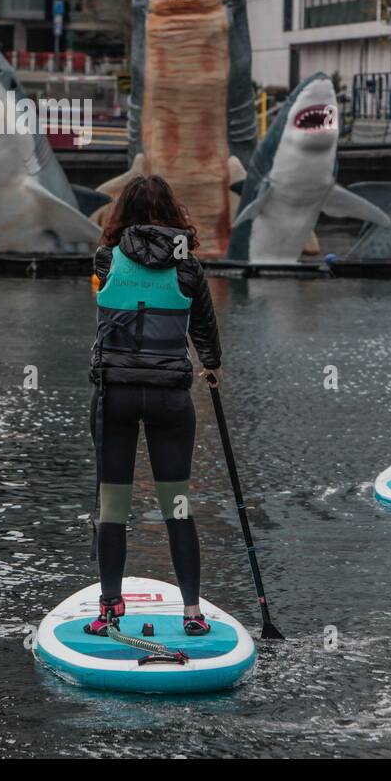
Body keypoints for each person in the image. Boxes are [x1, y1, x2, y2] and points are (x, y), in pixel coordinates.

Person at [86, 175, 223, 636]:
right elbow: (203, 325)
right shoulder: (188, 265)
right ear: (173, 212)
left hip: (115, 393)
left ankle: (109, 609)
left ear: (120, 211)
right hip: (169, 397)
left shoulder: (105, 258)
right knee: (177, 505)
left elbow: (103, 308)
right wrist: (211, 366)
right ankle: (192, 613)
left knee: (113, 505)